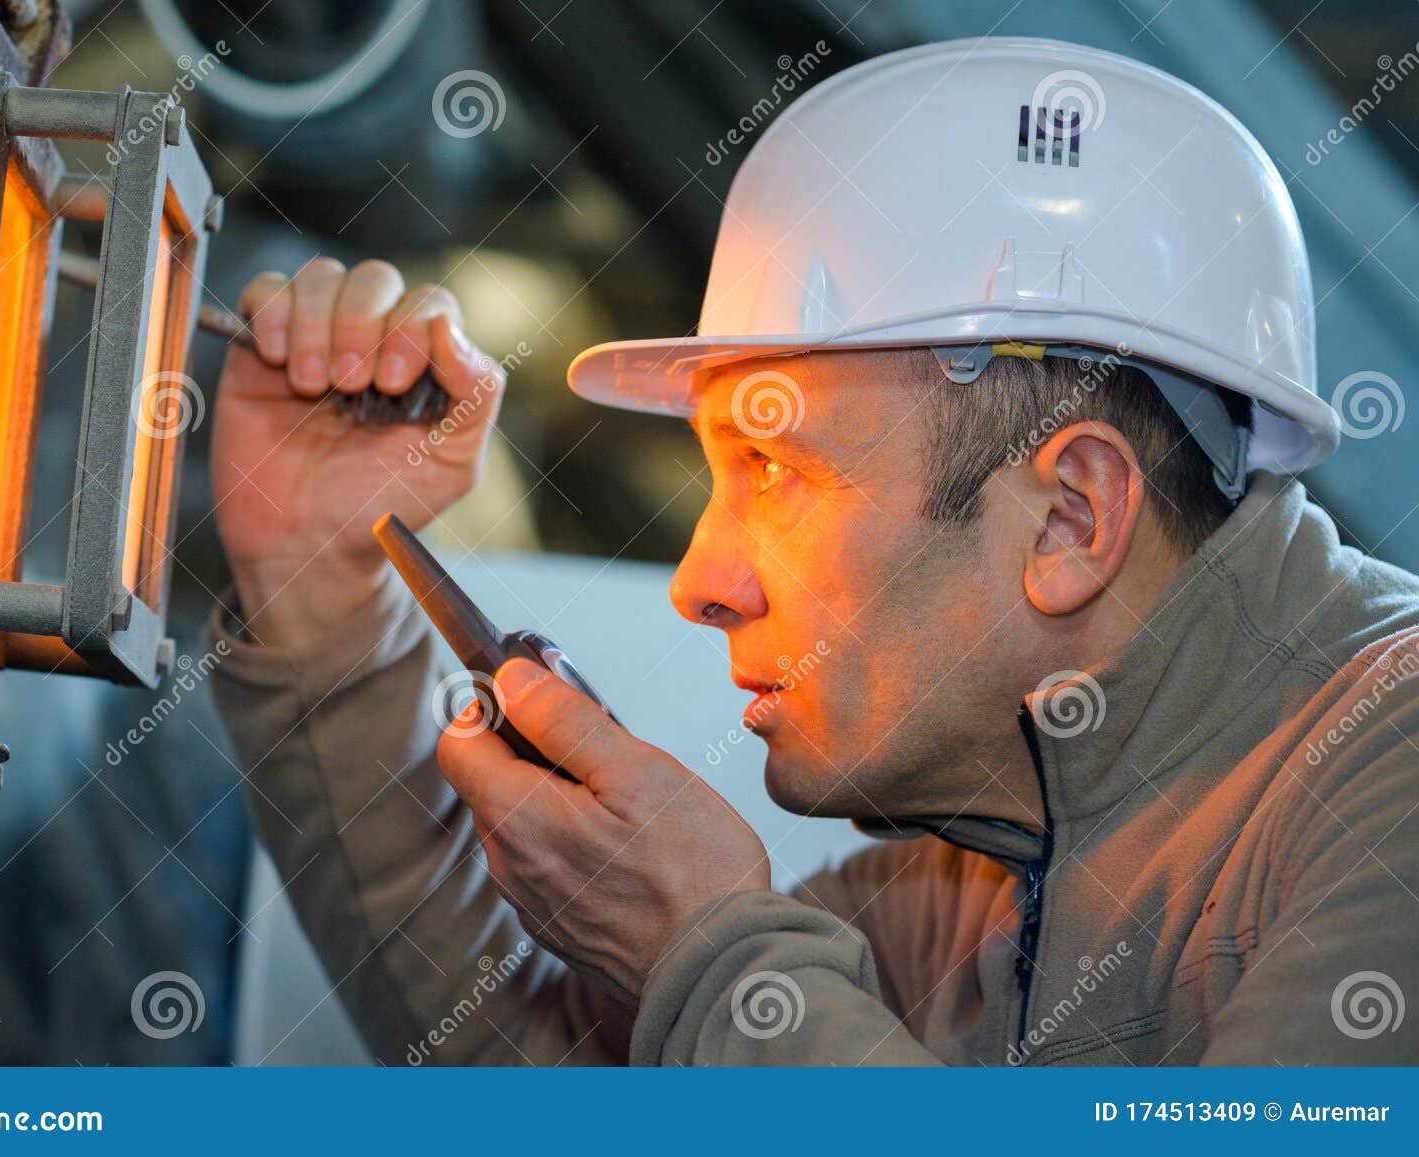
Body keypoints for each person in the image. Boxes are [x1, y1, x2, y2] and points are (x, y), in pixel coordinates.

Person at [206, 38, 1419, 1065]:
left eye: (776, 470)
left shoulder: (1390, 784)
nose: (698, 583)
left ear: (1070, 519)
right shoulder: (968, 888)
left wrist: (719, 950)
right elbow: (541, 1074)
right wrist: (321, 593)